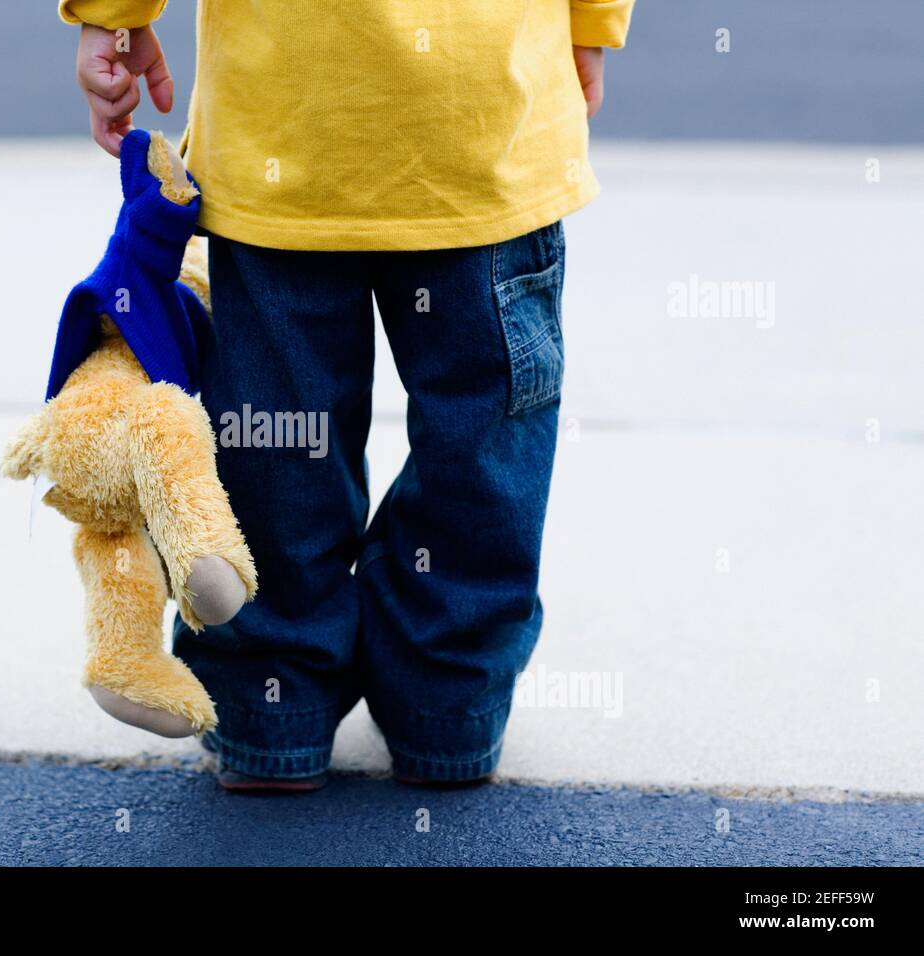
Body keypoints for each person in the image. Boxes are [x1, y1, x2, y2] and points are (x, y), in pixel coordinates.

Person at [59, 0, 635, 790]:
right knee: (482, 452)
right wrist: (591, 23)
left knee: (276, 458)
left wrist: (114, 17)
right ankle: (447, 699)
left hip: (284, 129)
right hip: (486, 125)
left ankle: (272, 701)